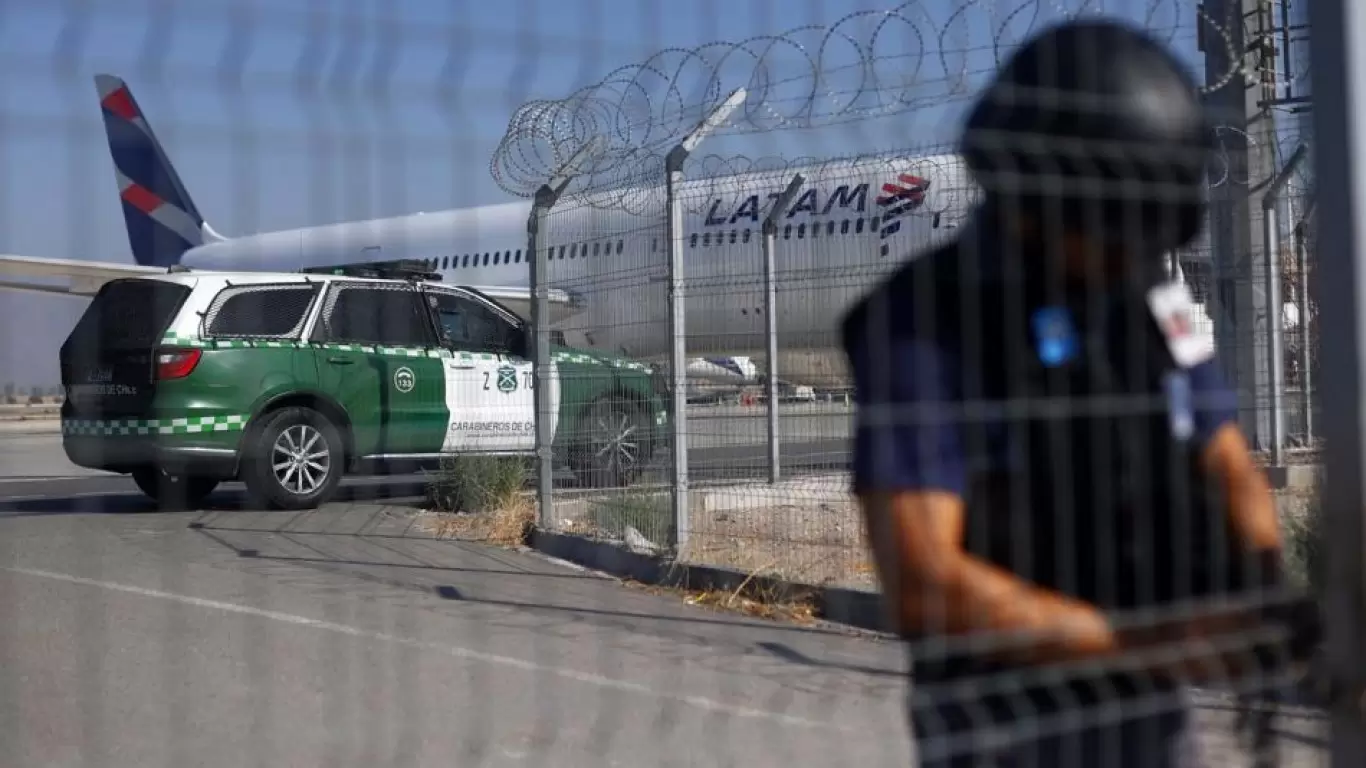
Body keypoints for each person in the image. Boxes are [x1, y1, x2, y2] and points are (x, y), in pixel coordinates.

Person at [840, 18, 1321, 767]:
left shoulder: (1145, 292)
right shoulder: (921, 322)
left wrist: (1261, 589)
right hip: (1003, 727)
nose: (1135, 252)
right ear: (1038, 197)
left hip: (1145, 716)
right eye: (1117, 227)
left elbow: (1224, 456)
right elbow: (922, 579)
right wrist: (1143, 644)